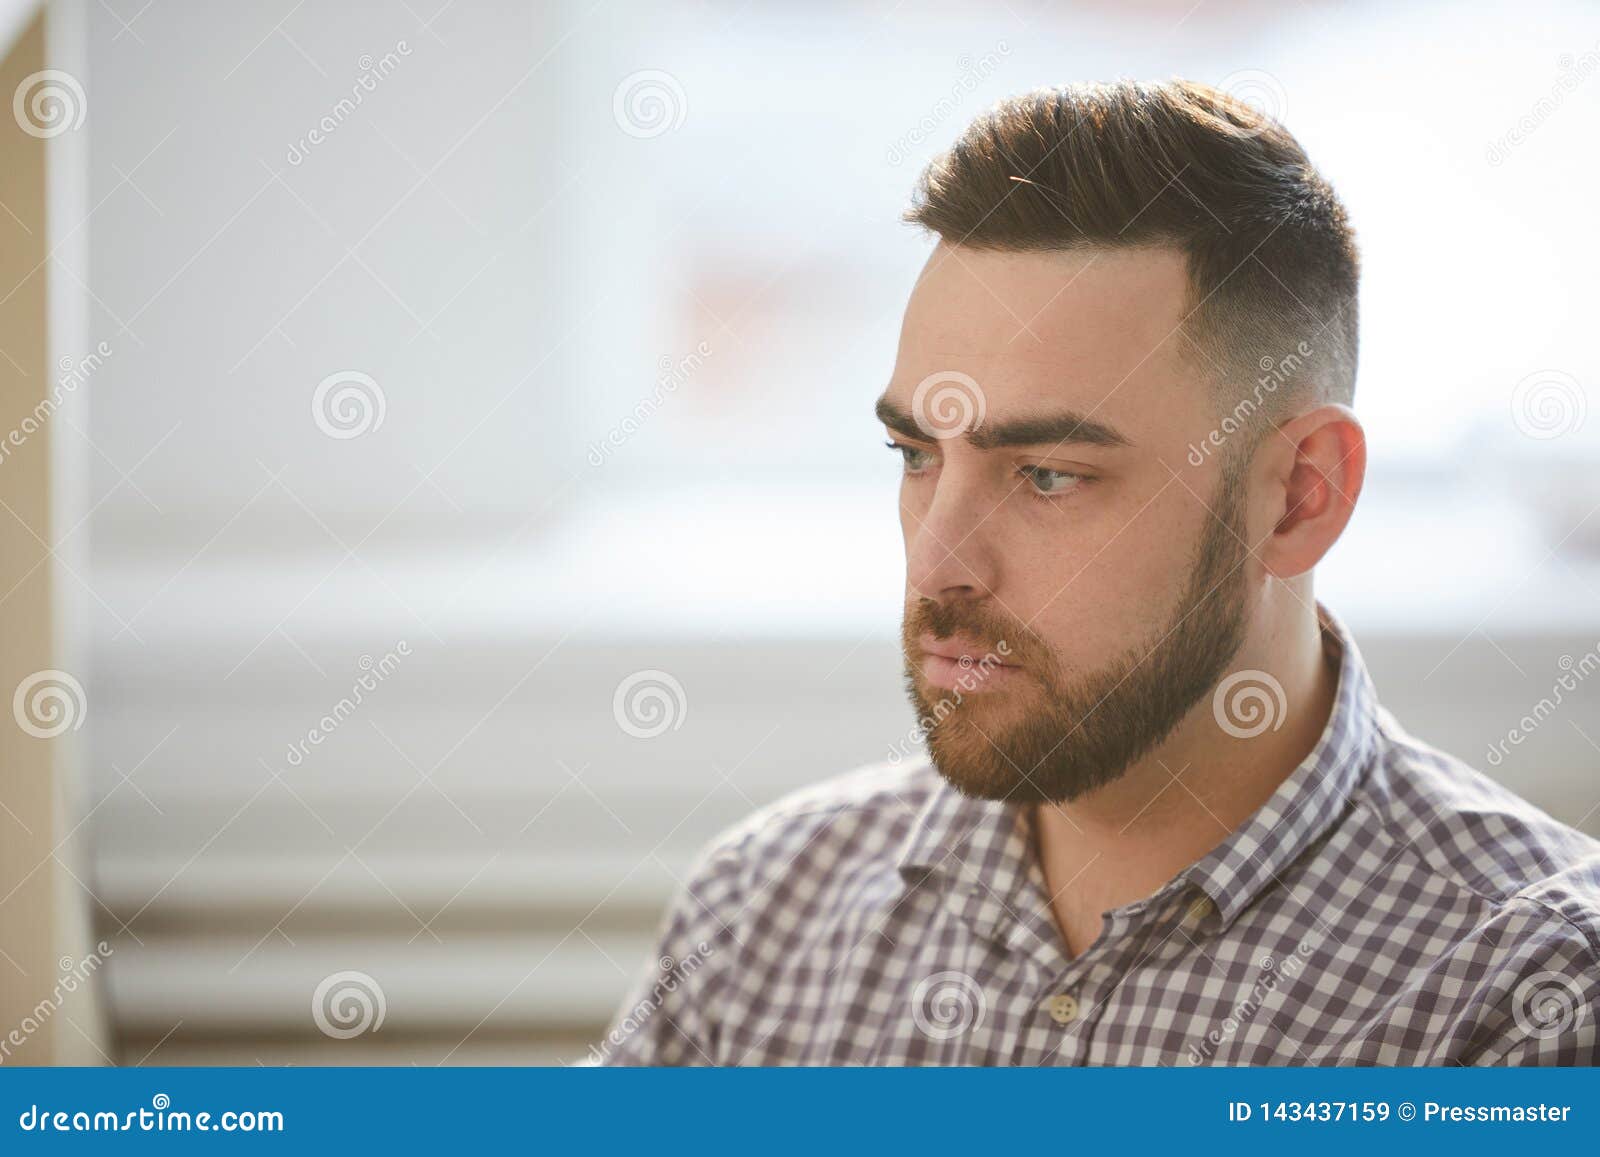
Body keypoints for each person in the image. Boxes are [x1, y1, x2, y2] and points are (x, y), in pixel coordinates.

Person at [595, 79, 1600, 1066]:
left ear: (1298, 494)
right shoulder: (759, 914)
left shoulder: (1532, 995)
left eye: (1045, 475)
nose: (937, 565)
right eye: (915, 455)